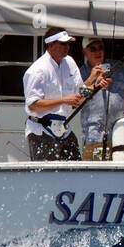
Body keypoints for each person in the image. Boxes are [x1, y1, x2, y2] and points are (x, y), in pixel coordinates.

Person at [23, 30, 92, 161]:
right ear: (50, 44)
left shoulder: (70, 62)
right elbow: (33, 106)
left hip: (65, 130)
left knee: (76, 172)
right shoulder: (38, 69)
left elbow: (80, 93)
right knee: (45, 176)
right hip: (41, 131)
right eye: (63, 44)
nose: (67, 47)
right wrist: (64, 100)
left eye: (68, 44)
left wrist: (95, 86)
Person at [78, 37, 124, 159]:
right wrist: (92, 81)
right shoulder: (79, 73)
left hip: (121, 136)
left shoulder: (120, 68)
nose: (98, 52)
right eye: (92, 49)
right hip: (93, 138)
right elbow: (77, 99)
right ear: (84, 52)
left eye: (100, 48)